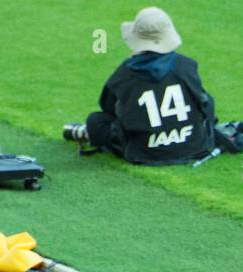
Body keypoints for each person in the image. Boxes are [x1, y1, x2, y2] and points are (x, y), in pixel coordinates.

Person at [64, 7, 217, 165]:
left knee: (96, 121)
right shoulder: (186, 65)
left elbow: (107, 107)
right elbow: (204, 102)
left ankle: (83, 133)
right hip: (193, 145)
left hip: (143, 151)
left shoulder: (125, 73)